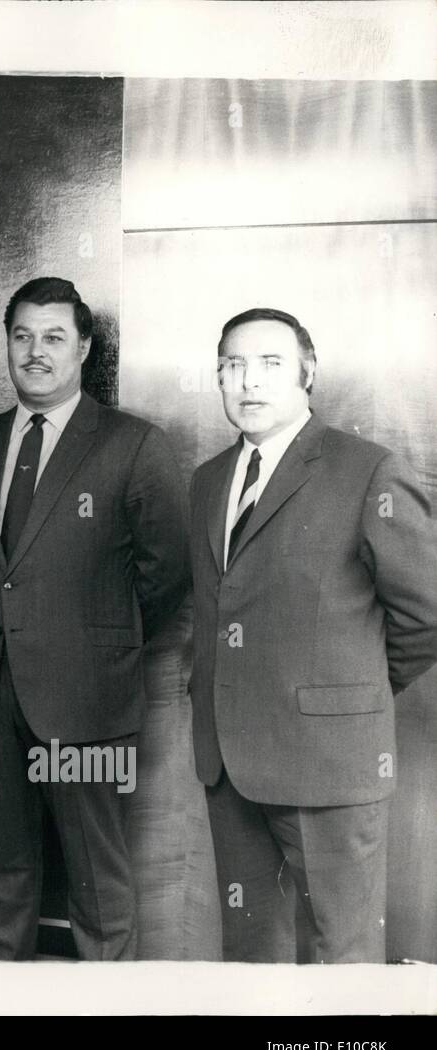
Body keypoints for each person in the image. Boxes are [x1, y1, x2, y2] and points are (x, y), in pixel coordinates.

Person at [0, 277, 189, 961]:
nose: (35, 351)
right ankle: (1, 998)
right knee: (1, 875)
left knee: (98, 883)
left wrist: (94, 640)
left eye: (53, 337)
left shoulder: (133, 443)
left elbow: (166, 573)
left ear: (84, 347)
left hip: (86, 698)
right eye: (21, 336)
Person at [190, 307, 437, 963]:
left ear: (308, 372)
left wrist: (352, 687)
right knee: (247, 952)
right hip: (228, 763)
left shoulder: (368, 471)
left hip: (330, 765)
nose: (250, 381)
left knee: (340, 957)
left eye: (270, 363)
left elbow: (427, 611)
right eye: (233, 365)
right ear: (218, 378)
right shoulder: (208, 480)